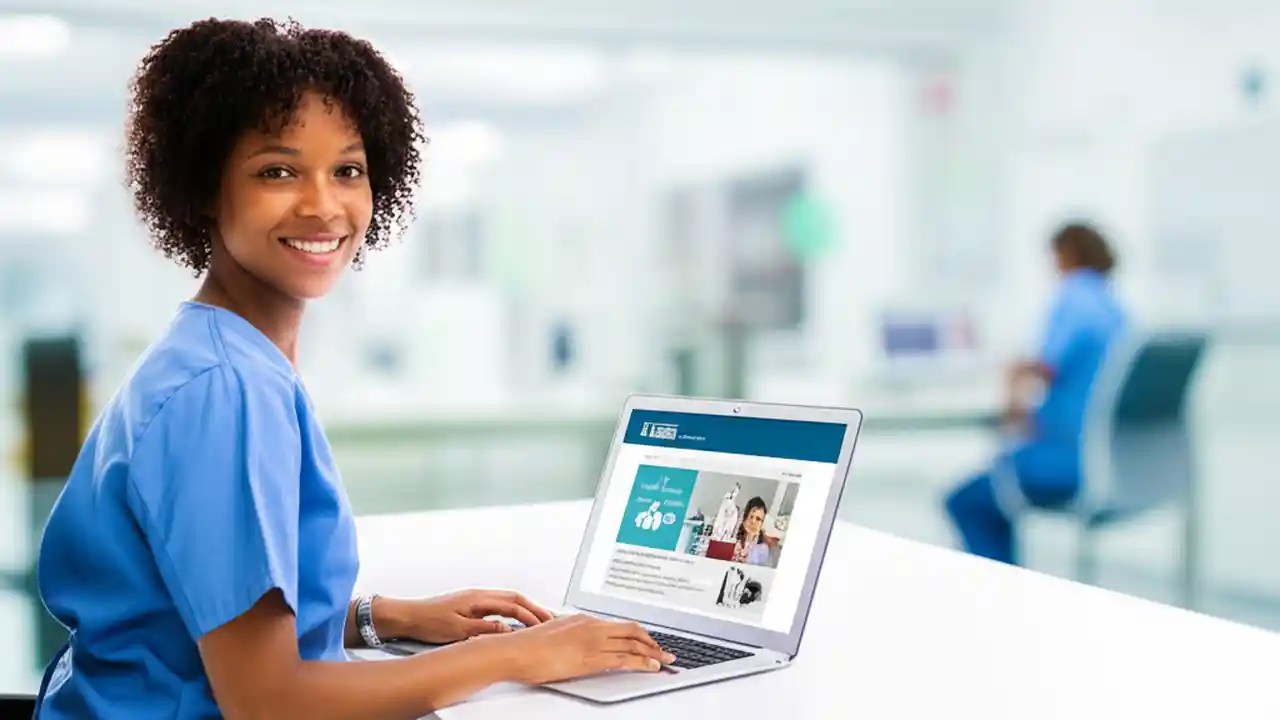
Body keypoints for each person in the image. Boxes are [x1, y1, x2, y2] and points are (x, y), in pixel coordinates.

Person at [33, 18, 672, 719]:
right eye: (277, 171)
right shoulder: (227, 392)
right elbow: (268, 700)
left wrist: (381, 617)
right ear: (205, 188)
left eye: (347, 170)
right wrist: (518, 654)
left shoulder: (217, 354)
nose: (323, 204)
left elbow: (183, 614)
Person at [944, 222, 1128, 565]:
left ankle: (997, 598)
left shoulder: (1073, 298)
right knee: (990, 499)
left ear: (1067, 254)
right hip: (1117, 462)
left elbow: (1044, 365)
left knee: (965, 501)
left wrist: (1013, 384)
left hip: (1069, 461)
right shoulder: (1116, 308)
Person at [731, 497, 773, 566]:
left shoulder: (763, 549)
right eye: (751, 517)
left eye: (758, 519)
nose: (753, 521)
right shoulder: (733, 540)